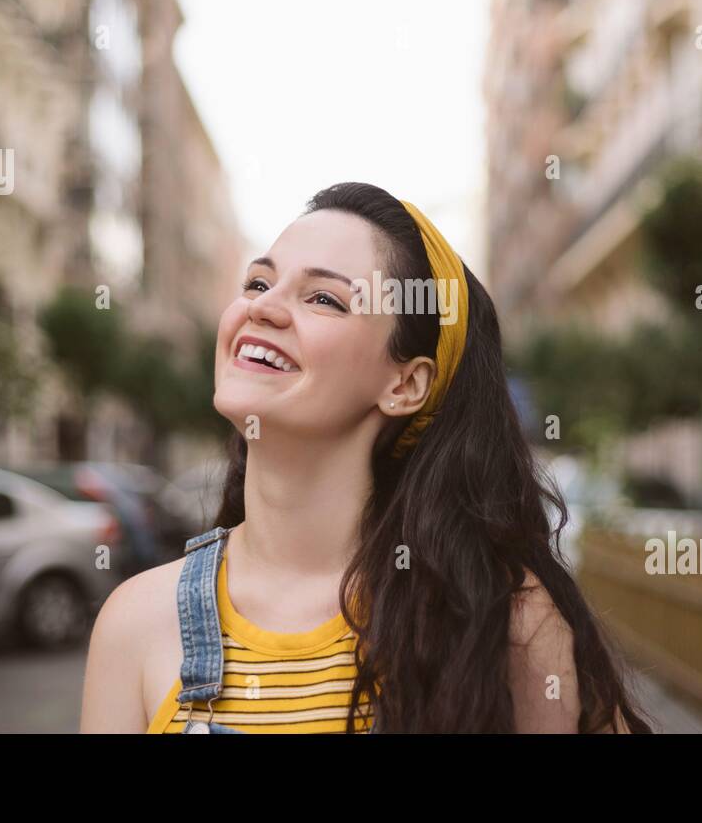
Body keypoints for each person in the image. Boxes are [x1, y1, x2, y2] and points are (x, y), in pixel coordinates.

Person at [80, 182, 651, 733]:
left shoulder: (502, 625)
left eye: (324, 298)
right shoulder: (134, 624)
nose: (264, 309)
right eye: (257, 284)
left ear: (405, 385)